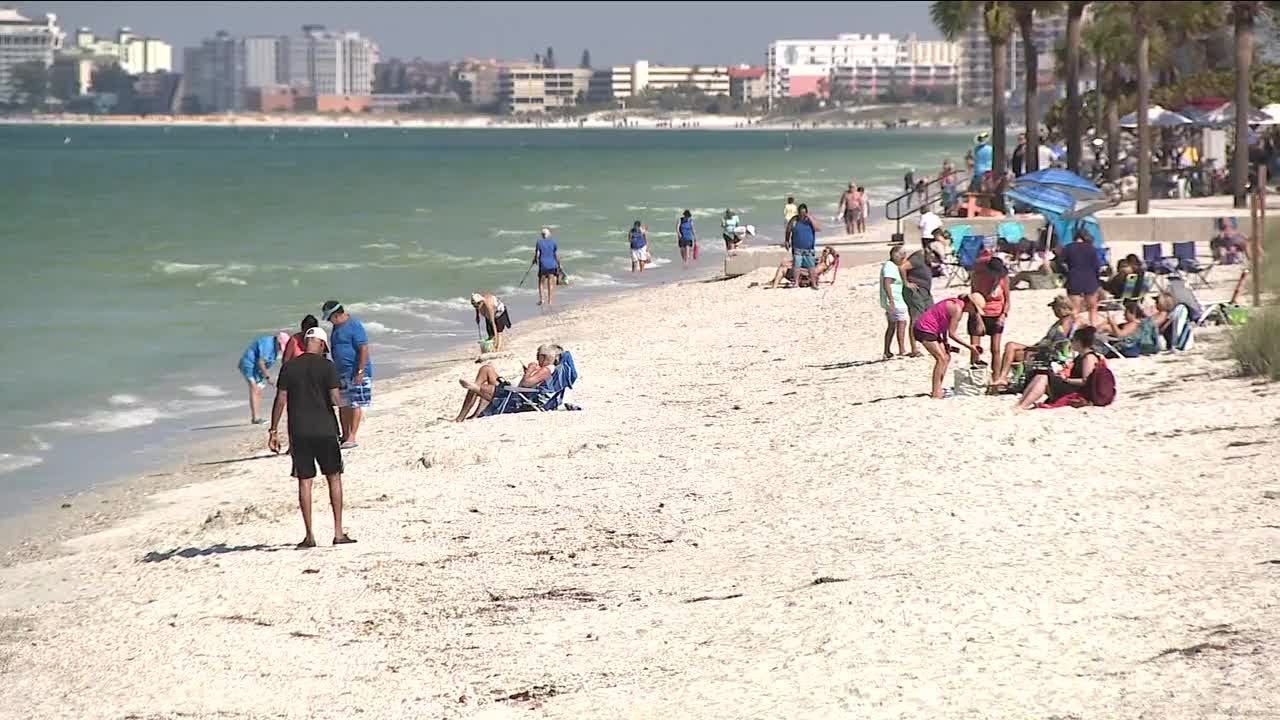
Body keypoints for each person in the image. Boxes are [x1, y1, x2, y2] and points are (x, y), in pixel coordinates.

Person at [268, 326, 354, 548]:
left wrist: (273, 430)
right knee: (333, 477)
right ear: (323, 344)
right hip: (326, 430)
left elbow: (280, 399)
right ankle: (338, 533)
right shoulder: (328, 366)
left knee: (305, 482)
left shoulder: (289, 367)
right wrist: (348, 404)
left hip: (299, 432)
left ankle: (309, 535)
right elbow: (335, 399)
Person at [453, 344, 561, 422]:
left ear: (544, 357)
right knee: (486, 369)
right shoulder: (545, 369)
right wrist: (529, 372)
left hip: (513, 393)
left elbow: (525, 383)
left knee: (477, 388)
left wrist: (530, 369)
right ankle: (476, 412)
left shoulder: (546, 370)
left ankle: (461, 416)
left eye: (538, 356)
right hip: (511, 388)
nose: (537, 358)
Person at [990, 296, 1077, 391]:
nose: (1053, 311)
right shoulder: (1064, 321)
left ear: (1060, 309)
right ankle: (1003, 378)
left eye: (1054, 308)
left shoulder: (1065, 323)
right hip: (1042, 348)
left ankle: (1003, 377)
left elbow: (1058, 343)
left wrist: (1035, 348)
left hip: (1046, 352)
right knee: (1011, 346)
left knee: (1011, 347)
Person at [912, 294, 985, 399]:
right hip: (924, 329)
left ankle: (938, 388)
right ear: (970, 303)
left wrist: (945, 343)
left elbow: (943, 320)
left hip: (934, 330)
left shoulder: (955, 303)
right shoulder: (957, 309)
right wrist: (970, 347)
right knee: (941, 359)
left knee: (946, 357)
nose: (974, 312)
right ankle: (936, 392)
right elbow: (952, 333)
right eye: (975, 309)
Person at [321, 300, 371, 450]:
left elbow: (363, 348)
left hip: (356, 372)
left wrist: (360, 371)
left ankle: (352, 436)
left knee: (355, 404)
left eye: (330, 318)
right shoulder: (336, 328)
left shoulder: (354, 325)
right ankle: (344, 435)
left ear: (337, 315)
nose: (329, 321)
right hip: (341, 373)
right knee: (343, 405)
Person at [1015, 326, 1101, 411]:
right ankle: (1020, 404)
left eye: (1072, 340)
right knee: (1041, 375)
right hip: (1073, 387)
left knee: (1044, 377)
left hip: (1078, 391)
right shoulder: (1082, 356)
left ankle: (1023, 405)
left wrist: (1067, 380)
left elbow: (1085, 381)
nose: (1071, 343)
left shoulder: (1088, 358)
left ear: (1079, 342)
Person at [238, 330, 290, 425]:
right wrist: (267, 377)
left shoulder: (273, 346)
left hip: (257, 369)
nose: (280, 348)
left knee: (258, 391)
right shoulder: (267, 345)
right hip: (249, 365)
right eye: (280, 346)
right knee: (254, 389)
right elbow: (261, 362)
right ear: (277, 342)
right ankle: (255, 418)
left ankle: (256, 416)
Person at [968, 256, 1011, 370]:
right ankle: (975, 374)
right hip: (978, 313)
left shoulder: (1003, 278)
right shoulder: (978, 276)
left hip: (996, 314)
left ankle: (996, 376)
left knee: (995, 349)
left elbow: (1007, 301)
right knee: (975, 349)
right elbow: (973, 299)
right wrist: (978, 318)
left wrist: (1003, 315)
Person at [1061, 229, 1103, 327]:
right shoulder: (1091, 248)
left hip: (1074, 279)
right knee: (1092, 307)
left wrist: (1066, 273)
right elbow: (1097, 267)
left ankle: (1074, 329)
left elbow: (1060, 263)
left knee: (1075, 308)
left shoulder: (1068, 248)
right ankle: (1093, 328)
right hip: (1090, 280)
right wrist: (1097, 280)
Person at [902, 240, 937, 357]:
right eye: (935, 256)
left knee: (931, 315)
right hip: (915, 292)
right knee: (916, 319)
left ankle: (933, 343)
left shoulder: (926, 259)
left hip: (925, 291)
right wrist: (906, 283)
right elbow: (902, 267)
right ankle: (914, 349)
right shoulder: (918, 257)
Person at [880, 246, 910, 359]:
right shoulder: (890, 267)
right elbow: (887, 283)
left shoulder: (890, 265)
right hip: (895, 300)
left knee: (892, 325)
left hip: (892, 300)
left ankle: (887, 351)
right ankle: (902, 349)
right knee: (901, 322)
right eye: (902, 257)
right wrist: (891, 300)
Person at [768, 247, 838, 289]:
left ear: (828, 255)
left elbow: (813, 273)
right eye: (823, 250)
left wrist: (798, 269)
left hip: (805, 278)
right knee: (784, 263)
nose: (823, 252)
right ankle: (774, 282)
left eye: (825, 251)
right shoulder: (819, 261)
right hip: (803, 275)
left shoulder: (823, 264)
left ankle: (774, 285)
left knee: (783, 267)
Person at [789, 203, 821, 289]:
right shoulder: (794, 220)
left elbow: (818, 229)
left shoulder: (810, 220)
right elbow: (788, 229)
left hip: (809, 248)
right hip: (797, 248)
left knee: (811, 267)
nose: (802, 215)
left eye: (804, 213)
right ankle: (796, 283)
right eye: (801, 213)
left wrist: (810, 218)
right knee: (796, 266)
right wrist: (786, 240)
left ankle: (814, 283)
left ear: (806, 212)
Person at [533, 227, 560, 307]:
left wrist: (534, 260)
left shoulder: (539, 242)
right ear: (549, 234)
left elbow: (537, 254)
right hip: (552, 265)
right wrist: (559, 264)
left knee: (541, 283)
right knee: (550, 283)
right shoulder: (553, 242)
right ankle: (550, 301)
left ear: (542, 235)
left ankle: (542, 299)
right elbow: (556, 255)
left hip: (543, 265)